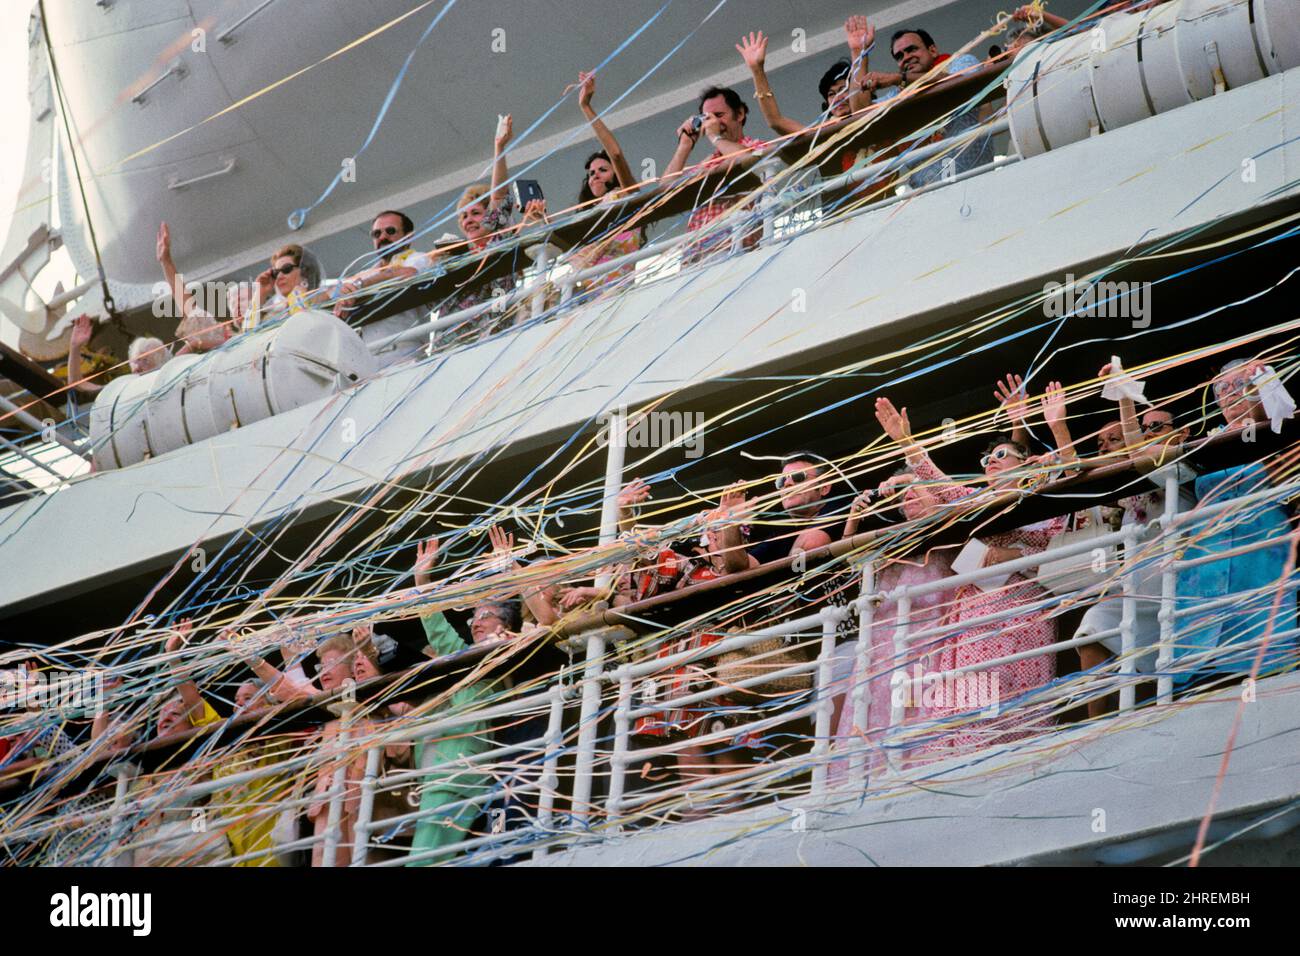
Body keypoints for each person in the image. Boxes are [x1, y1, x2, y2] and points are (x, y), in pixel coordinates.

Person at [875, 390, 1068, 753]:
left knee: (1009, 696)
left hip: (1017, 609)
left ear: (1026, 466)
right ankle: (967, 758)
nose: (989, 462)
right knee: (965, 698)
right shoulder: (977, 500)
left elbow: (1073, 487)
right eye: (986, 458)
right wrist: (907, 442)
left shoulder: (1045, 495)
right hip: (972, 611)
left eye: (1000, 456)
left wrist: (1057, 429)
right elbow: (940, 484)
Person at [1172, 358, 1299, 685]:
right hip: (1206, 560)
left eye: (1237, 385)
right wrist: (1124, 398)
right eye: (1221, 389)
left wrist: (1258, 399)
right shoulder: (1204, 444)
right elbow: (1147, 464)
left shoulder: (1277, 427)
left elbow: (1265, 438)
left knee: (1260, 649)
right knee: (1201, 660)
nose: (1229, 394)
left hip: (1258, 550)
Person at [829, 468, 959, 782]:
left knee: (913, 718)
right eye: (904, 493)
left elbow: (941, 519)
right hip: (879, 653)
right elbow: (850, 563)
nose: (909, 494)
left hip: (925, 648)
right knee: (869, 715)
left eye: (917, 488)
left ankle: (913, 780)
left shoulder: (948, 532)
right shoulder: (893, 545)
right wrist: (856, 518)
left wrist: (908, 480)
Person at [736, 17, 879, 171]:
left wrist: (858, 52)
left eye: (844, 90)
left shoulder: (877, 114)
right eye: (831, 94)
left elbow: (860, 109)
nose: (838, 97)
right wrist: (757, 71)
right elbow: (775, 121)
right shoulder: (821, 135)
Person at [872, 28, 992, 189]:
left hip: (978, 182)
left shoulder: (961, 62)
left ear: (933, 50)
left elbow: (958, 84)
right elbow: (865, 114)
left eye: (912, 49)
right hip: (927, 198)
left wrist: (901, 79)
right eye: (899, 56)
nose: (906, 57)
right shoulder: (899, 92)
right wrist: (859, 54)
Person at [664, 86, 769, 264]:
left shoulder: (755, 146)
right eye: (707, 118)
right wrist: (685, 146)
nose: (713, 122)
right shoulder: (708, 162)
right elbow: (666, 189)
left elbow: (745, 159)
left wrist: (714, 136)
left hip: (737, 253)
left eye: (719, 115)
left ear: (740, 114)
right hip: (696, 260)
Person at [565, 71, 645, 294]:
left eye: (602, 170)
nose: (595, 176)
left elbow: (616, 154)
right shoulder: (589, 215)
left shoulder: (626, 196)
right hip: (588, 295)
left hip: (617, 291)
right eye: (591, 173)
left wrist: (586, 107)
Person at [65, 315, 170, 395]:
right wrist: (74, 347)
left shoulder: (171, 384)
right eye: (135, 361)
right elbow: (76, 383)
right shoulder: (123, 390)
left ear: (160, 366)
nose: (137, 368)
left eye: (145, 361)